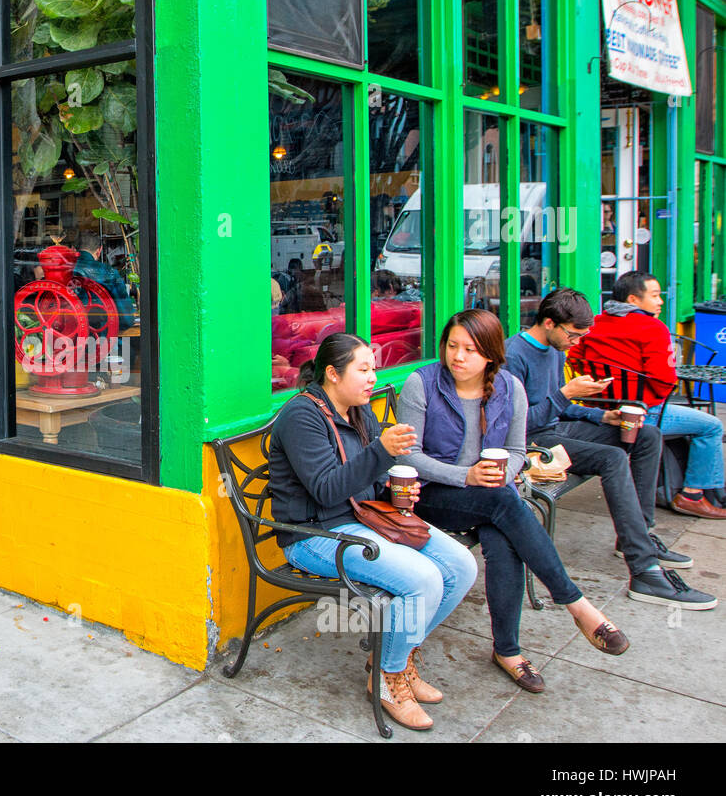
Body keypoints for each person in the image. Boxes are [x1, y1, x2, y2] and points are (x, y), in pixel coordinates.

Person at [399, 310, 629, 693]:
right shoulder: (422, 384)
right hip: (432, 495)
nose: (457, 357)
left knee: (503, 537)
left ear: (490, 353)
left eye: (470, 349)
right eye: (451, 346)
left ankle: (508, 651)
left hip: (490, 495)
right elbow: (408, 457)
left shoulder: (509, 387)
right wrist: (466, 476)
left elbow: (518, 451)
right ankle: (575, 604)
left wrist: (501, 474)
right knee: (504, 506)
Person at [269, 333, 477, 731]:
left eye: (374, 369)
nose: (371, 378)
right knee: (423, 580)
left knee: (461, 565)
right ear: (332, 373)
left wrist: (397, 489)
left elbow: (373, 474)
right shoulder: (303, 416)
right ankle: (386, 677)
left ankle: (395, 656)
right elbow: (327, 490)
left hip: (362, 520)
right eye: (363, 370)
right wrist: (382, 450)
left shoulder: (357, 409)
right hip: (313, 536)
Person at [504, 288, 716, 609]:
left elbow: (563, 410)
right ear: (549, 322)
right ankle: (643, 569)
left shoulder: (555, 348)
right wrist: (565, 393)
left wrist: (604, 415)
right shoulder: (514, 356)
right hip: (530, 441)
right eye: (574, 335)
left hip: (555, 429)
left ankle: (639, 534)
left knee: (647, 435)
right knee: (613, 457)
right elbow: (514, 424)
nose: (577, 342)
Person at [569, 271, 726, 520]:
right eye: (654, 295)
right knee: (712, 426)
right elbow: (665, 381)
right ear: (633, 299)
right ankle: (692, 495)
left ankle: (670, 488)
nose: (661, 301)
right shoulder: (653, 327)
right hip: (645, 415)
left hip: (601, 413)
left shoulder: (593, 325)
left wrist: (606, 389)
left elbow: (575, 360)